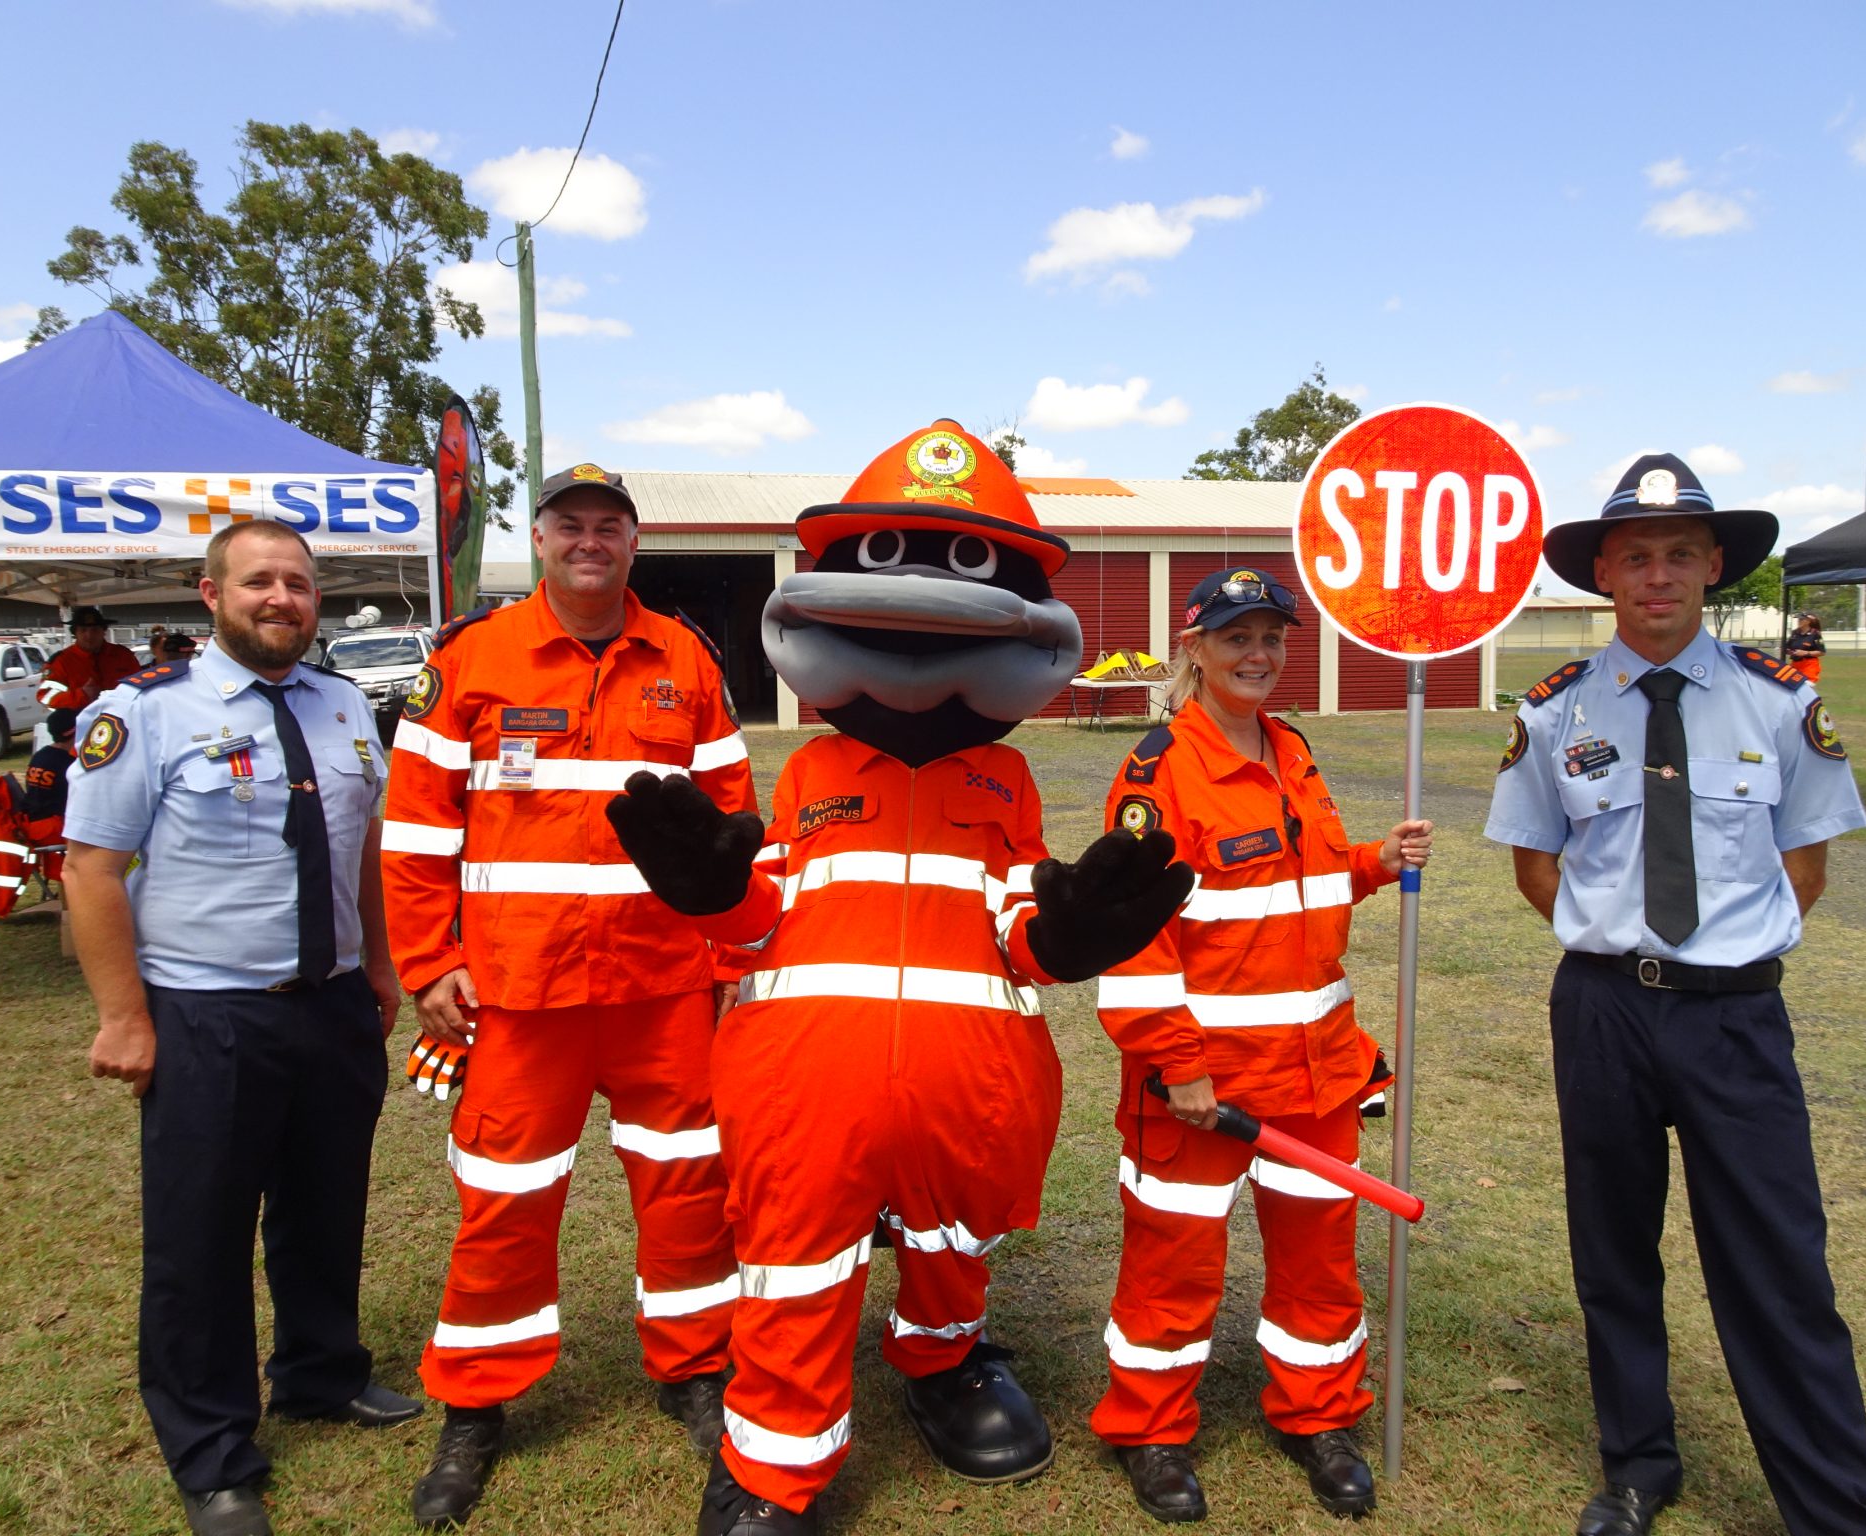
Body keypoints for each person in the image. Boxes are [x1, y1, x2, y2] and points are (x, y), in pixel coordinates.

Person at [604, 420, 1192, 1536]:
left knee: (950, 1242)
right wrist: (708, 888)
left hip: (965, 1088)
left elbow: (1015, 918)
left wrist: (1066, 936)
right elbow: (764, 913)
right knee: (794, 1263)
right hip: (804, 1087)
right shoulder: (813, 769)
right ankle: (774, 1464)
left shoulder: (1005, 780)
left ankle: (941, 1361)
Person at [1485, 453, 1866, 1536]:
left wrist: (1722, 949)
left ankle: (1835, 1511)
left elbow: (1800, 865)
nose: (1655, 575)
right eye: (1634, 557)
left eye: (1676, 554)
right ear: (1603, 576)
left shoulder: (1781, 705)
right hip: (1602, 1010)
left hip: (1733, 1016)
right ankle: (1636, 1466)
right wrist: (1621, 950)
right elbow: (1537, 865)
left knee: (1775, 1265)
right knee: (1611, 1249)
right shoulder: (1551, 715)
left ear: (1712, 567)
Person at [380, 463, 752, 1530]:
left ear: (633, 545)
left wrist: (728, 968)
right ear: (539, 539)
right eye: (570, 525)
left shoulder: (685, 660)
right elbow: (413, 833)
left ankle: (694, 1365)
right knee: (502, 1201)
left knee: (686, 1190)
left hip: (663, 990)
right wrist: (426, 962)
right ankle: (478, 1402)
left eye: (610, 527)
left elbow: (731, 830)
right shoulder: (470, 660)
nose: (590, 541)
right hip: (516, 994)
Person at [64, 520, 418, 1536]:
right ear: (209, 593)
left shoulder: (345, 702)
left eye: (299, 584)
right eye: (259, 581)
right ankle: (213, 1450)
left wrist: (381, 967)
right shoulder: (145, 714)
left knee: (323, 1206)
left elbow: (362, 847)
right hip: (206, 1014)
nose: (283, 599)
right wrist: (124, 1018)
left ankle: (320, 1371)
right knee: (200, 1236)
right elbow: (90, 869)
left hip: (333, 1004)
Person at [1088, 567, 1431, 1524]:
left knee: (1321, 1261)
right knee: (1173, 1264)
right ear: (1194, 649)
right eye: (1237, 638)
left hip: (1320, 1072)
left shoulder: (1292, 748)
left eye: (1273, 638)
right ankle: (1151, 1432)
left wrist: (1373, 862)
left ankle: (1318, 1414)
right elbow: (1135, 937)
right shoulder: (1157, 774)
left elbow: (1302, 887)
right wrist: (1178, 1063)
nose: (1259, 655)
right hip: (1206, 1088)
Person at [40, 605, 141, 710]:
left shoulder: (123, 655)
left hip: (121, 718)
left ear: (103, 632)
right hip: (79, 722)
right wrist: (82, 695)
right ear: (75, 633)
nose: (89, 635)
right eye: (83, 630)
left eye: (95, 630)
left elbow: (140, 687)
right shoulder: (61, 661)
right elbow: (45, 696)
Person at [16, 705, 80, 832]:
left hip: (29, 823)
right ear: (71, 731)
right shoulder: (69, 763)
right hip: (53, 828)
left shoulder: (39, 756)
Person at [1784, 612, 1825, 687]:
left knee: (1806, 686)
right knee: (1791, 684)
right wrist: (1787, 651)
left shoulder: (1815, 634)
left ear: (1808, 621)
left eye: (1801, 619)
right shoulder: (1795, 633)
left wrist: (1806, 653)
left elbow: (1822, 652)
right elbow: (1787, 647)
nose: (1799, 621)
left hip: (1809, 664)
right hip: (1795, 663)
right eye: (1798, 619)